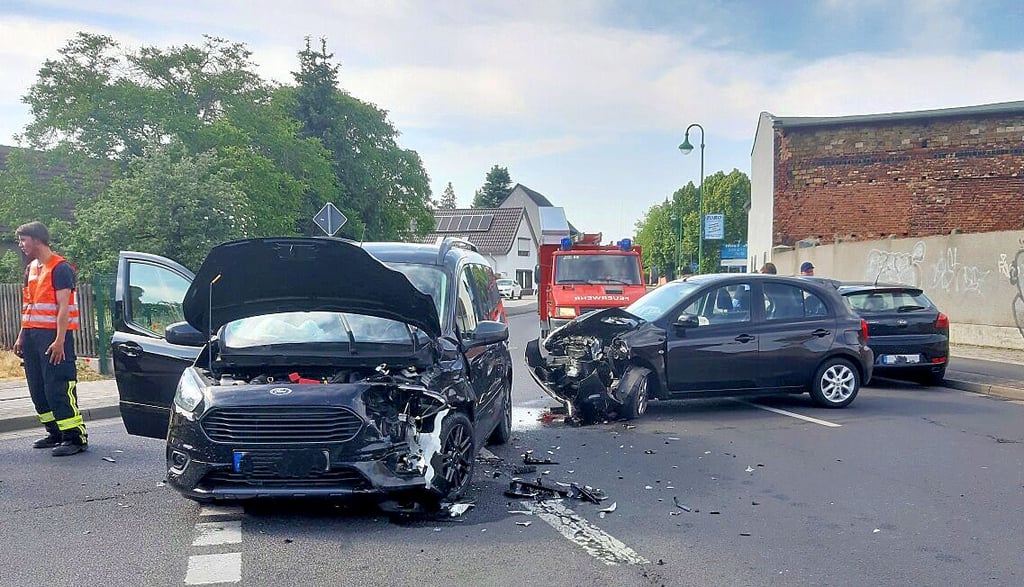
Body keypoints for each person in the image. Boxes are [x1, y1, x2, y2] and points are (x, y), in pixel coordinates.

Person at [13, 221, 88, 456]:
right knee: (38, 387)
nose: (20, 245)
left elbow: (64, 307)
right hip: (33, 336)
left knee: (58, 386)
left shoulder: (60, 268)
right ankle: (54, 432)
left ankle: (74, 437)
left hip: (55, 337)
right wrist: (21, 336)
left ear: (37, 240)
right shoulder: (31, 269)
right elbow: (29, 307)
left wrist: (59, 340)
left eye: (23, 240)